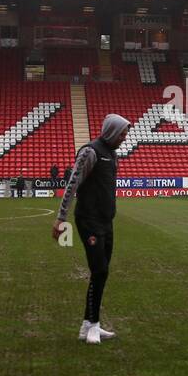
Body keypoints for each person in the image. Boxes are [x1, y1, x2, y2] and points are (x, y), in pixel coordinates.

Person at [52, 113, 130, 344]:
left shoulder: (113, 155)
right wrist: (60, 218)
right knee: (100, 270)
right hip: (89, 220)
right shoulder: (90, 152)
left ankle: (88, 324)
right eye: (123, 133)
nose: (125, 138)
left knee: (102, 271)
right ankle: (93, 325)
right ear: (113, 132)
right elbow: (72, 185)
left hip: (106, 221)